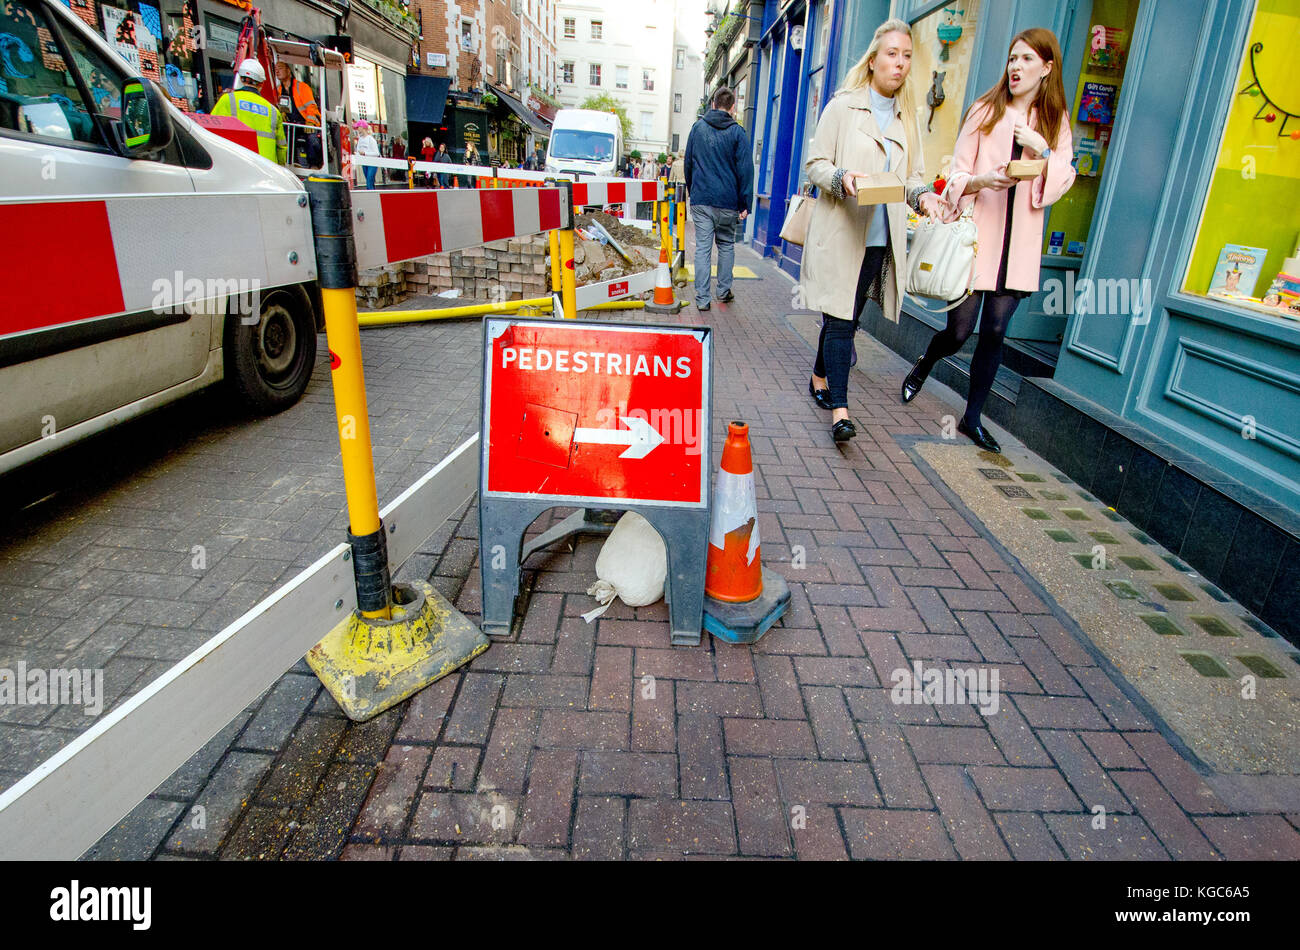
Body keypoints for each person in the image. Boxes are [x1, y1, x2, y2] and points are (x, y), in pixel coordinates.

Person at [900, 27, 1076, 453]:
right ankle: (927, 360)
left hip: (1019, 248)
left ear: (1047, 68)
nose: (1015, 67)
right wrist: (983, 180)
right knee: (959, 332)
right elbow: (956, 174)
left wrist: (1043, 150)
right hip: (978, 239)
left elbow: (1064, 177)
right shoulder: (985, 110)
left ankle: (972, 418)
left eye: (1027, 60)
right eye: (1013, 58)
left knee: (996, 331)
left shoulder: (1054, 122)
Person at [801, 19, 933, 443]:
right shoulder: (843, 106)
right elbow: (815, 163)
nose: (900, 63)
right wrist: (843, 179)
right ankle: (840, 411)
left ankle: (820, 375)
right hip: (842, 232)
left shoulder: (907, 118)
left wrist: (924, 198)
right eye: (892, 54)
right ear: (873, 60)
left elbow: (913, 177)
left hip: (879, 237)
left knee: (848, 318)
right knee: (840, 322)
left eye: (907, 55)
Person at [684, 86, 754, 312]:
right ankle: (723, 291)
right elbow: (746, 170)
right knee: (726, 245)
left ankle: (702, 299)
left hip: (702, 200)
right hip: (728, 202)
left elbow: (688, 164)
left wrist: (692, 190)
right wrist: (745, 203)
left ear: (713, 104)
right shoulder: (737, 133)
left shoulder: (697, 129)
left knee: (703, 248)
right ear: (733, 107)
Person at [211, 59, 286, 165]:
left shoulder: (227, 100)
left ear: (240, 79)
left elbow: (211, 133)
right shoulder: (273, 111)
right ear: (262, 84)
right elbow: (281, 147)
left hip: (237, 165)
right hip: (267, 169)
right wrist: (281, 167)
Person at [273, 60, 320, 167]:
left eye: (280, 68)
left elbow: (311, 106)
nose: (277, 71)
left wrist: (310, 122)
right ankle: (291, 162)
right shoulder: (278, 91)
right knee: (283, 139)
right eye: (275, 69)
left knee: (312, 139)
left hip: (305, 123)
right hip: (290, 125)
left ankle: (314, 165)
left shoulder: (302, 87)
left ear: (288, 71)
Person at [354, 120, 379, 189]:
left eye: (358, 127)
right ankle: (373, 195)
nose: (357, 129)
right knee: (369, 181)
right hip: (364, 162)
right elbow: (358, 150)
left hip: (372, 163)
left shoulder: (371, 139)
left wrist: (365, 153)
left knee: (369, 181)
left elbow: (377, 153)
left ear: (362, 128)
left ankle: (371, 195)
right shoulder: (360, 139)